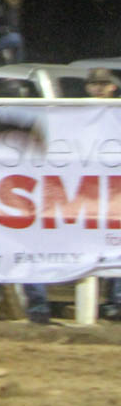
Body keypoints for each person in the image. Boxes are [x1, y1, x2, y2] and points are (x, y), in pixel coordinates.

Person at [85, 68, 121, 319]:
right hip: (89, 191)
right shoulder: (77, 112)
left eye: (103, 83)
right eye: (94, 84)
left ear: (112, 86)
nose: (99, 88)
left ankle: (115, 301)